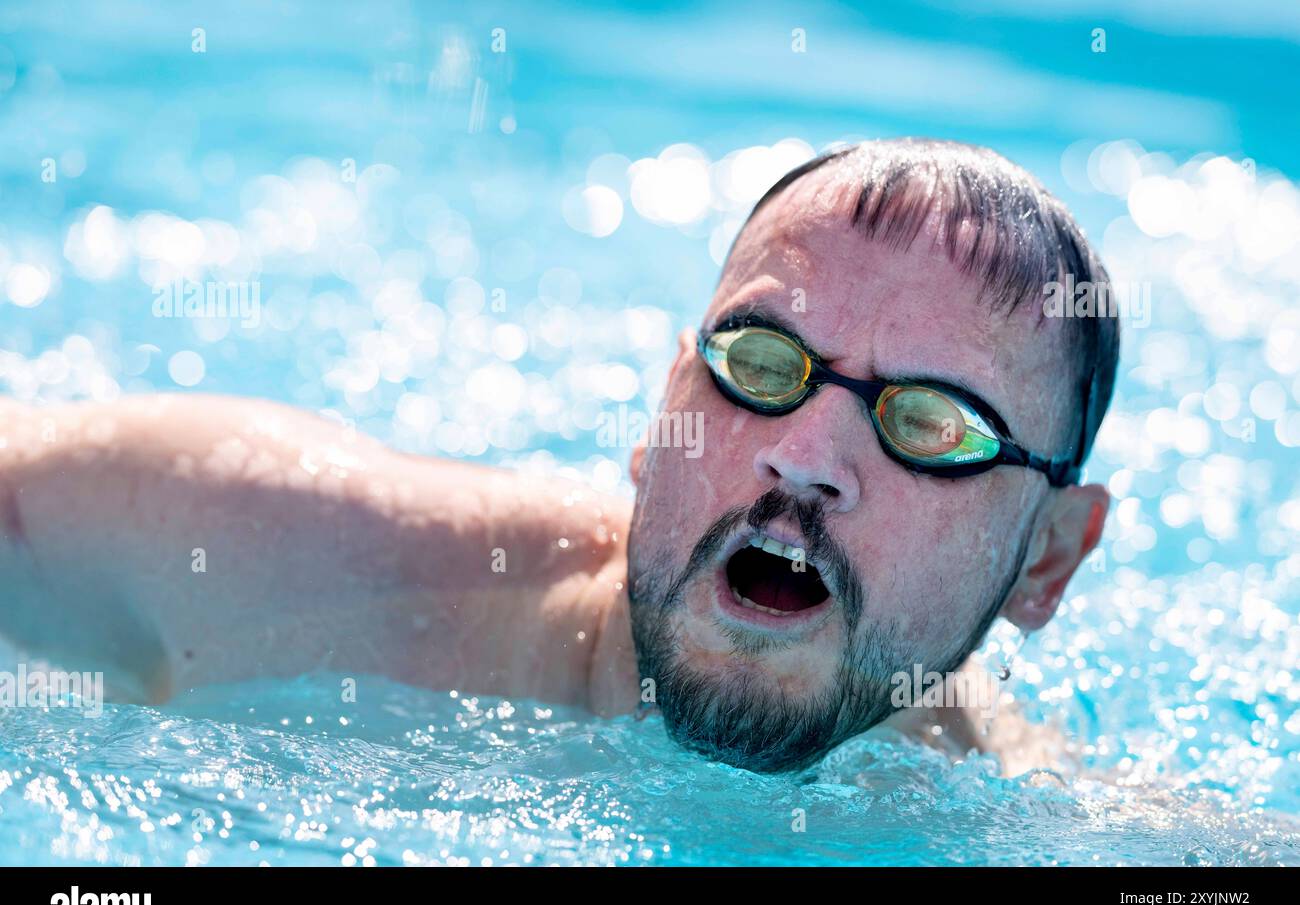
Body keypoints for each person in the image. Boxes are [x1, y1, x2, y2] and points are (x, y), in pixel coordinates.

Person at [0, 138, 1119, 774]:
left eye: (930, 422)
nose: (805, 456)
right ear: (659, 412)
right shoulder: (273, 548)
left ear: (1047, 562)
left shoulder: (1054, 828)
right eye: (763, 362)